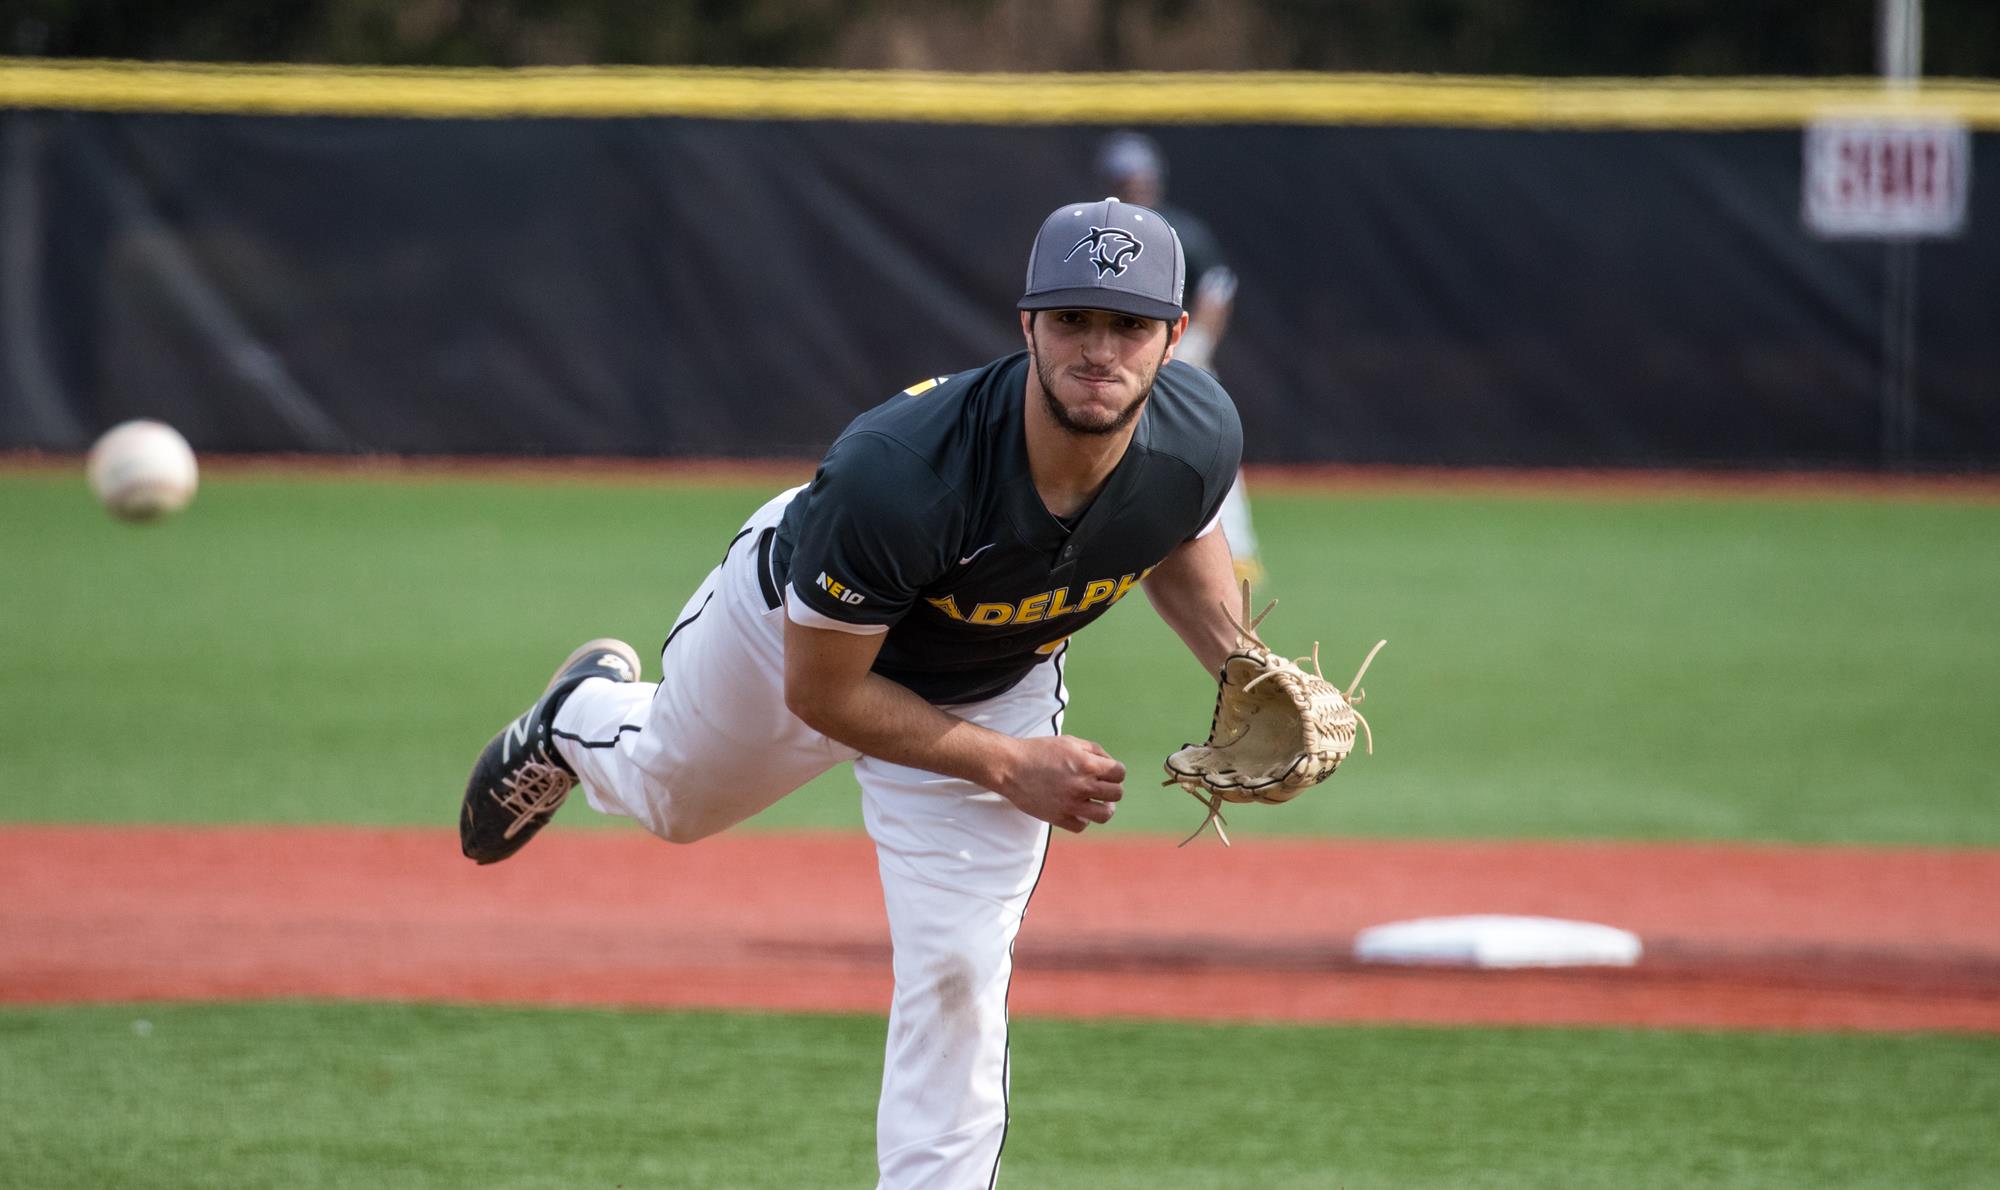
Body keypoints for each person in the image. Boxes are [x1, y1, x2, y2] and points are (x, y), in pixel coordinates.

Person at [458, 198, 1245, 1188]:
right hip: (799, 636)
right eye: (1073, 320)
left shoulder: (1198, 431)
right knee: (672, 798)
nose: (1100, 350)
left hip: (988, 681)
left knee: (959, 969)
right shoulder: (899, 475)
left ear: (1174, 336)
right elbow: (825, 691)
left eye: (1128, 324)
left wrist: (1240, 668)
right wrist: (1007, 763)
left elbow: (1175, 524)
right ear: (1026, 325)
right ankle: (578, 717)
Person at [1097, 130, 1264, 583]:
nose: (1137, 185)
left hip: (1178, 354)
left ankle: (1239, 550)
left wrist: (1198, 343)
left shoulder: (1180, 231)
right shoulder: (1101, 236)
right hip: (1124, 362)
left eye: (1141, 177)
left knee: (1213, 443)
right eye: (1127, 178)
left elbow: (1217, 289)